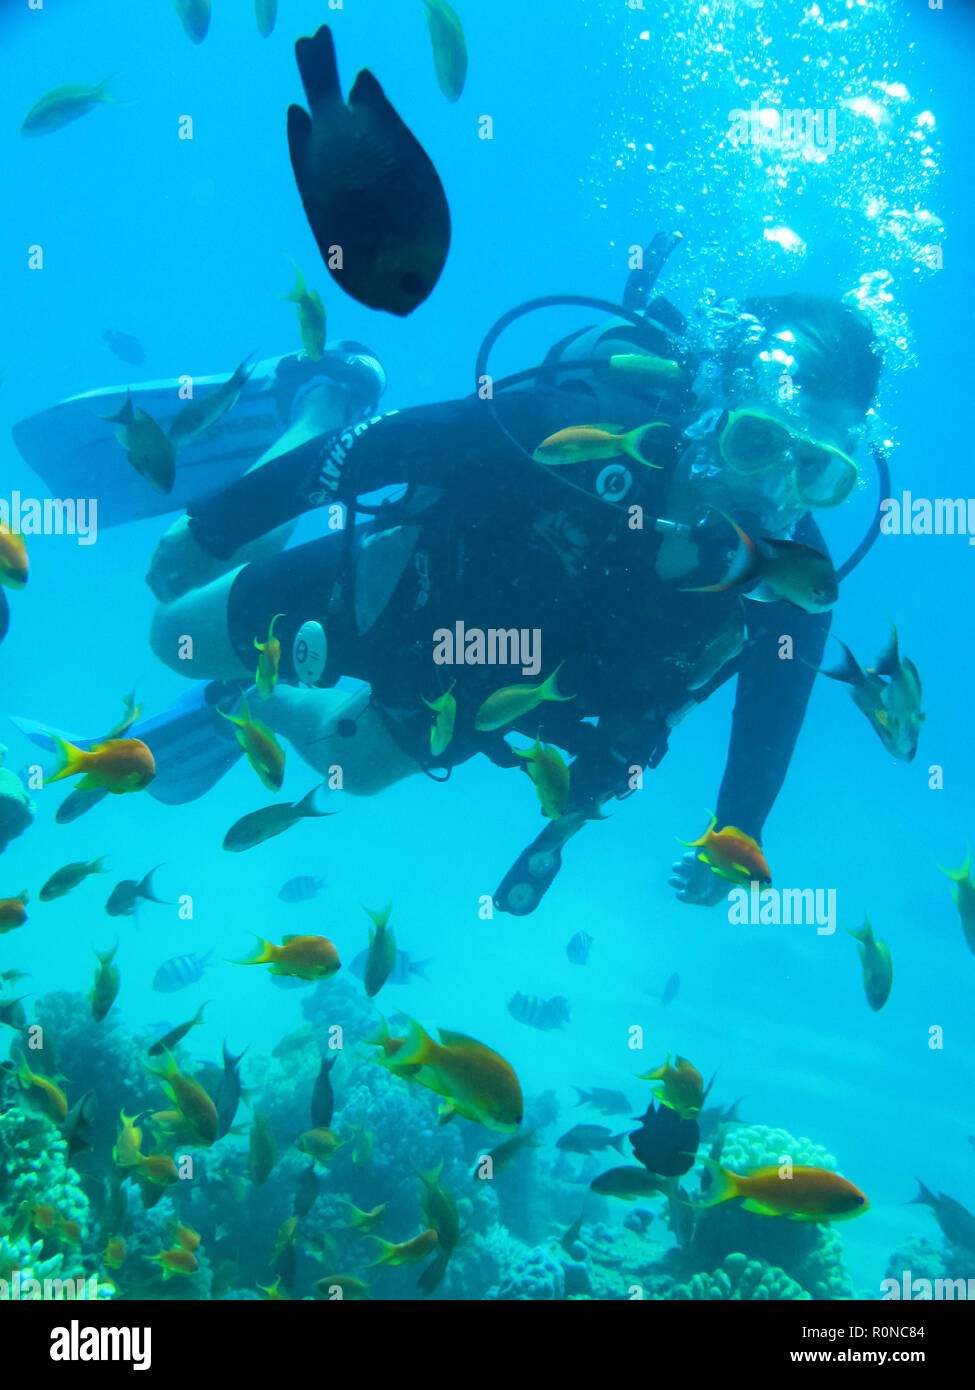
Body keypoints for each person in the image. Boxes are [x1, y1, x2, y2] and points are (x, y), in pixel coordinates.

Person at [144, 275, 883, 915]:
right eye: (753, 445)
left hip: (501, 678)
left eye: (816, 471)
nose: (772, 492)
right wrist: (215, 525)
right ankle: (324, 396)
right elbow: (391, 444)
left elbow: (773, 705)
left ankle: (237, 700)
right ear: (710, 411)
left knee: (359, 772)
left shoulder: (794, 579)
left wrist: (740, 828)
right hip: (408, 583)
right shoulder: (585, 435)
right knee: (172, 633)